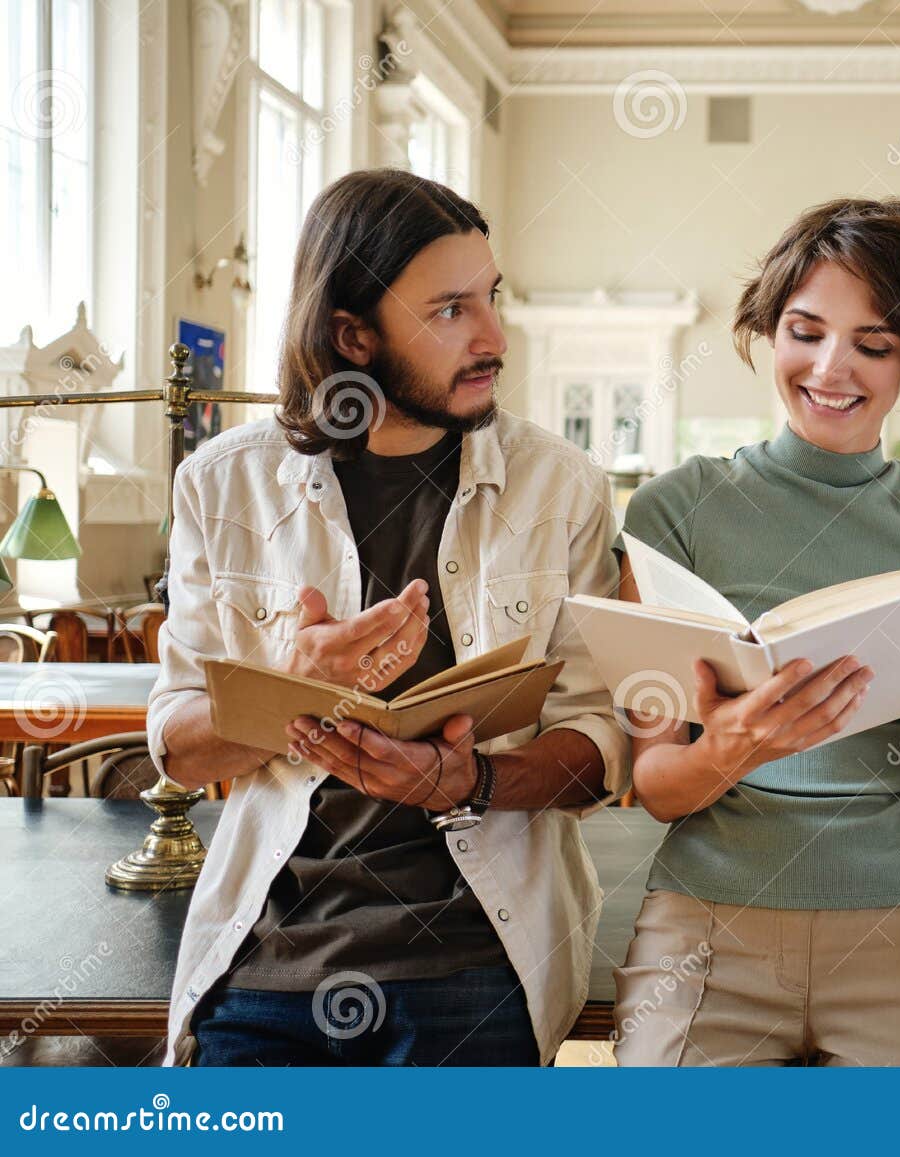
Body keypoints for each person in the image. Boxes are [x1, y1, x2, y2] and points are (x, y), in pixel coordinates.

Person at [149, 169, 629, 1066]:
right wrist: (295, 689)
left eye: (492, 297)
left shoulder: (562, 486)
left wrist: (469, 782)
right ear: (353, 333)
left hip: (477, 961)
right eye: (449, 310)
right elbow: (178, 747)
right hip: (261, 965)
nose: (493, 336)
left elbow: (599, 749)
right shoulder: (221, 484)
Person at [612, 197, 900, 1066]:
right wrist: (734, 745)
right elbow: (662, 786)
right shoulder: (675, 510)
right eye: (804, 329)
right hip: (707, 916)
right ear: (768, 330)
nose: (830, 368)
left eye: (873, 343)